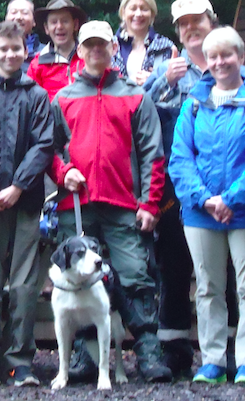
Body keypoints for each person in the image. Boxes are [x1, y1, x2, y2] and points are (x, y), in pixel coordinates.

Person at [50, 20, 170, 382]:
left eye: (102, 44)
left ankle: (148, 353)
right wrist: (63, 172)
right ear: (80, 51)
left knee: (136, 276)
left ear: (113, 48)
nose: (96, 50)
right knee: (78, 279)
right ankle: (85, 357)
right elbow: (49, 149)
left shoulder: (137, 96)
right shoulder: (63, 98)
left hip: (123, 205)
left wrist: (149, 204)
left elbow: (153, 154)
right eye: (89, 45)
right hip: (76, 207)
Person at [168, 27, 245, 385]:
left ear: (241, 57)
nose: (219, 62)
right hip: (200, 212)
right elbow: (180, 159)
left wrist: (231, 199)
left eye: (227, 54)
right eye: (213, 56)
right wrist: (205, 198)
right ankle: (212, 360)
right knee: (207, 287)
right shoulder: (193, 104)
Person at [139, 0, 234, 377]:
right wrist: (162, 80)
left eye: (198, 20)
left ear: (212, 21)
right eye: (184, 24)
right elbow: (138, 113)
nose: (192, 28)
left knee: (224, 269)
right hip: (174, 187)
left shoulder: (230, 63)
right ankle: (174, 351)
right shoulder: (166, 68)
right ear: (177, 31)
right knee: (174, 267)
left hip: (224, 183)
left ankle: (228, 350)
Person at [0, 21, 54, 387]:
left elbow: (43, 144)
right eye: (3, 48)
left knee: (24, 284)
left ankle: (19, 361)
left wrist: (18, 185)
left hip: (26, 201)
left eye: (16, 48)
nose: (10, 54)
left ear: (25, 52)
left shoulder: (37, 96)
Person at [27, 0, 87, 101]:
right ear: (46, 28)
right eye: (54, 22)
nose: (59, 26)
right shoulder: (37, 64)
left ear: (75, 25)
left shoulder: (89, 57)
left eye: (65, 21)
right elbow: (31, 101)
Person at [112, 0, 176, 86]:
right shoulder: (109, 47)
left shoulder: (166, 47)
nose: (138, 14)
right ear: (123, 13)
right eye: (133, 9)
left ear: (152, 14)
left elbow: (175, 88)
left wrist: (155, 80)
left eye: (144, 9)